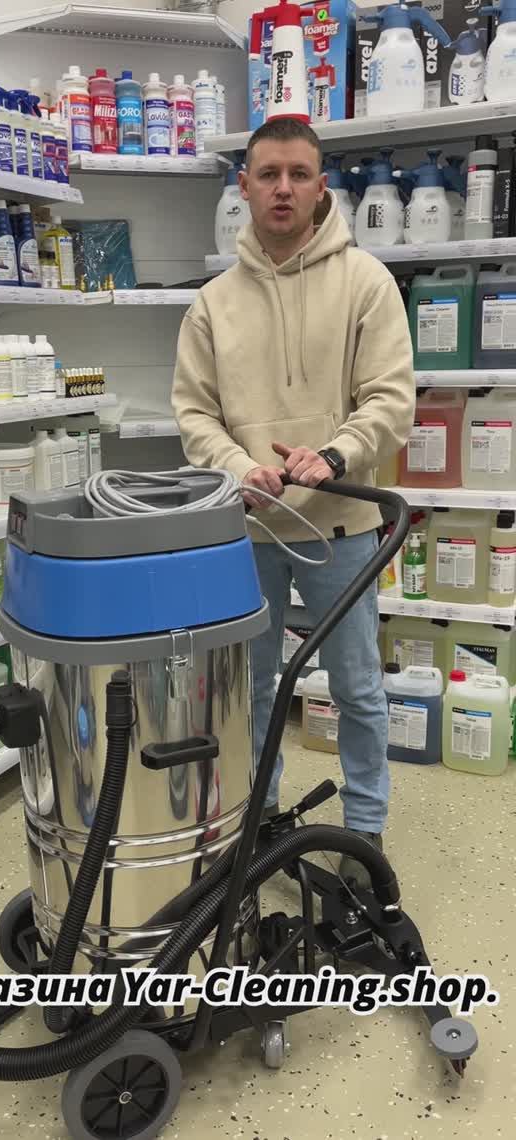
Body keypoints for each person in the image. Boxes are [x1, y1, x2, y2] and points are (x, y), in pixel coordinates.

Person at [171, 117, 415, 889]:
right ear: (244, 187)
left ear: (320, 188)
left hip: (341, 523)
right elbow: (194, 413)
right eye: (268, 174)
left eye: (298, 174)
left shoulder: (366, 282)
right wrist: (239, 466)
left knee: (357, 688)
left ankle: (365, 830)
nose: (283, 188)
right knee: (251, 691)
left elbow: (391, 400)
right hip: (247, 530)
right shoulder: (211, 304)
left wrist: (333, 455)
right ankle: (261, 820)